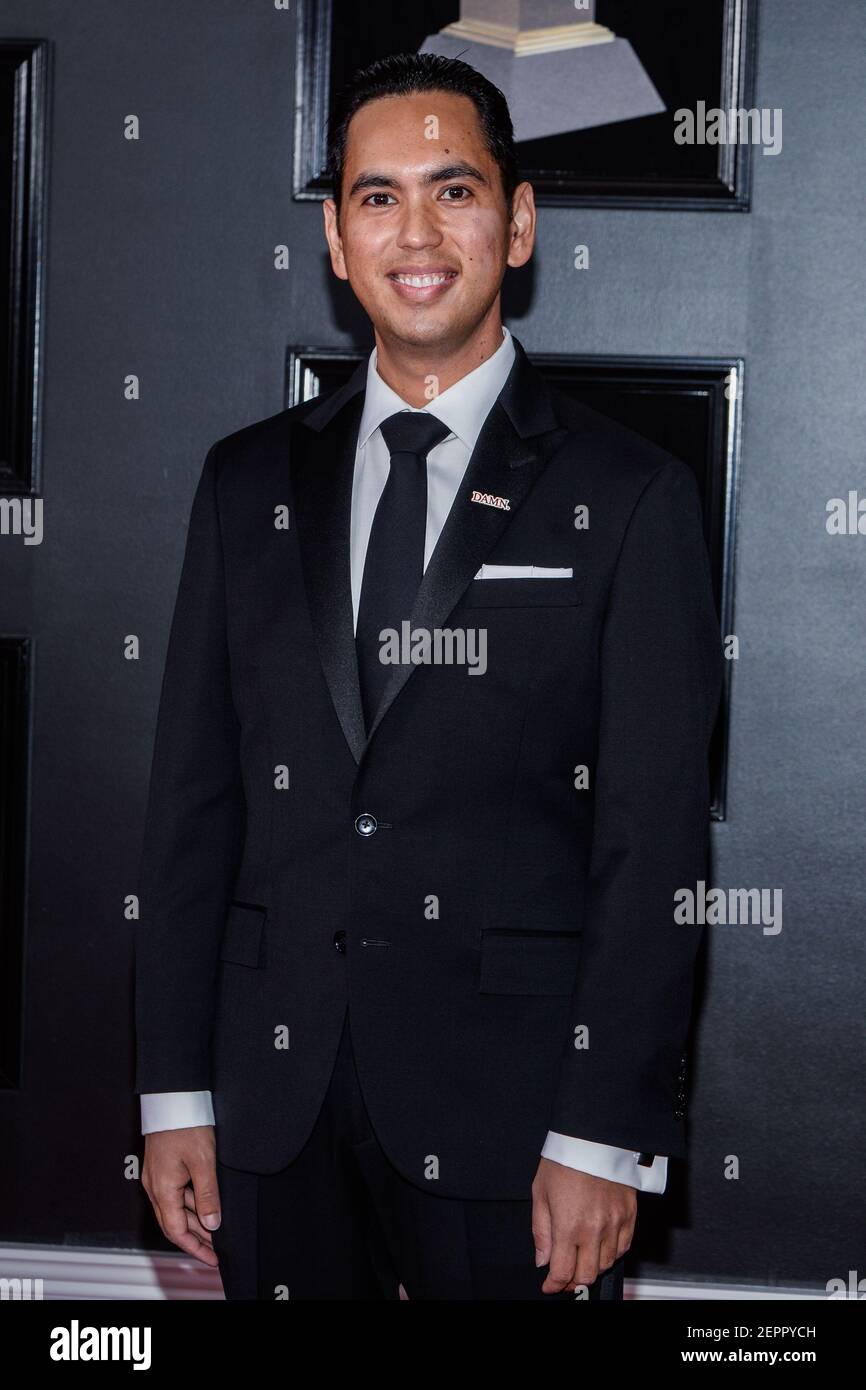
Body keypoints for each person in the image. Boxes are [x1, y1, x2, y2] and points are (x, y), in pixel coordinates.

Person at [134, 52, 722, 1301]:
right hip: (271, 1111)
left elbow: (652, 844)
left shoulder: (627, 498)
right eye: (375, 196)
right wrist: (175, 1088)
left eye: (452, 192)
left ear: (514, 226)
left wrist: (599, 1130)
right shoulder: (244, 486)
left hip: (518, 1122)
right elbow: (191, 808)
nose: (414, 232)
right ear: (338, 245)